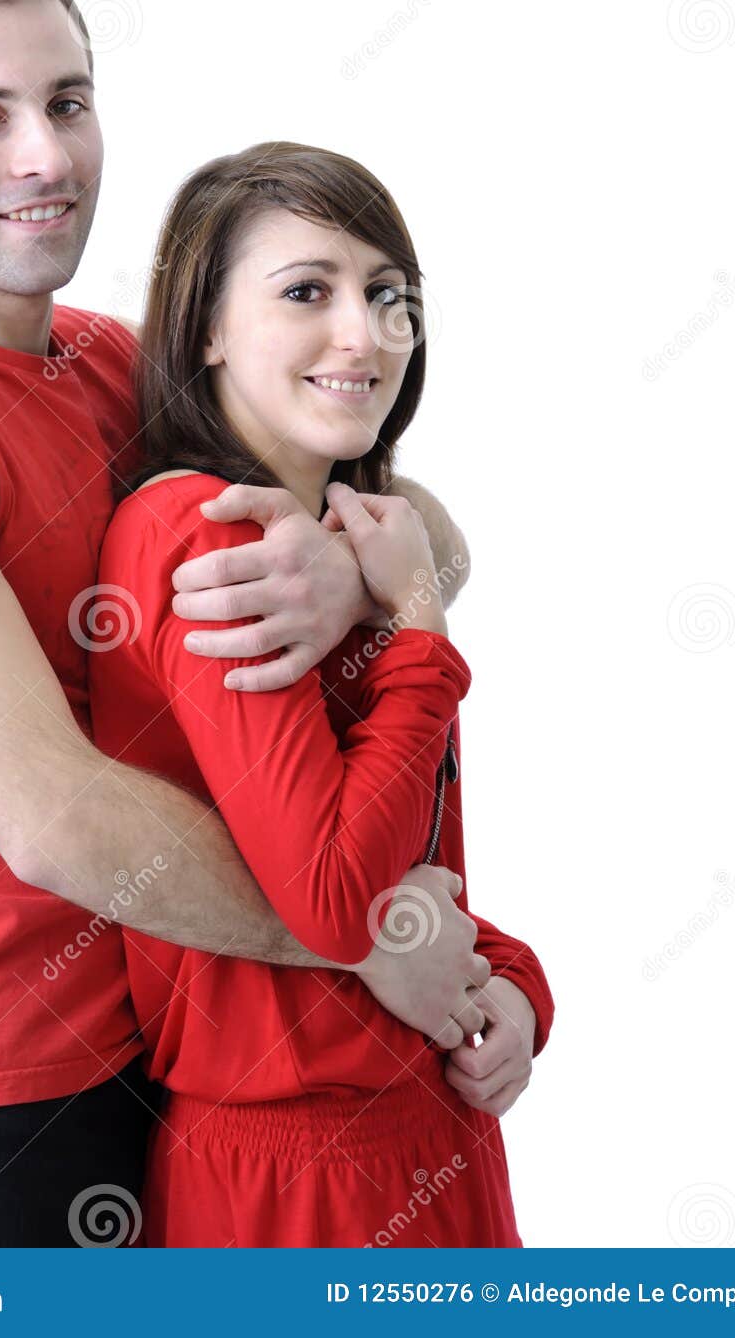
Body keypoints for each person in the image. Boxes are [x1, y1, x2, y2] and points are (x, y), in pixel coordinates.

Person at [0, 0, 487, 1247]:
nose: (45, 154)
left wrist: (341, 570)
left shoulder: (104, 365)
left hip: (179, 1050)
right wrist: (362, 936)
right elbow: (53, 820)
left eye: (68, 101)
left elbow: (416, 522)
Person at [87, 142, 554, 1248]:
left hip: (437, 1128)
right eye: (308, 291)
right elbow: (339, 901)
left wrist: (515, 989)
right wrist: (423, 635)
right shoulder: (197, 535)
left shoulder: (363, 529)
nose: (368, 332)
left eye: (389, 295)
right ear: (205, 327)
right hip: (293, 1182)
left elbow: (398, 863)